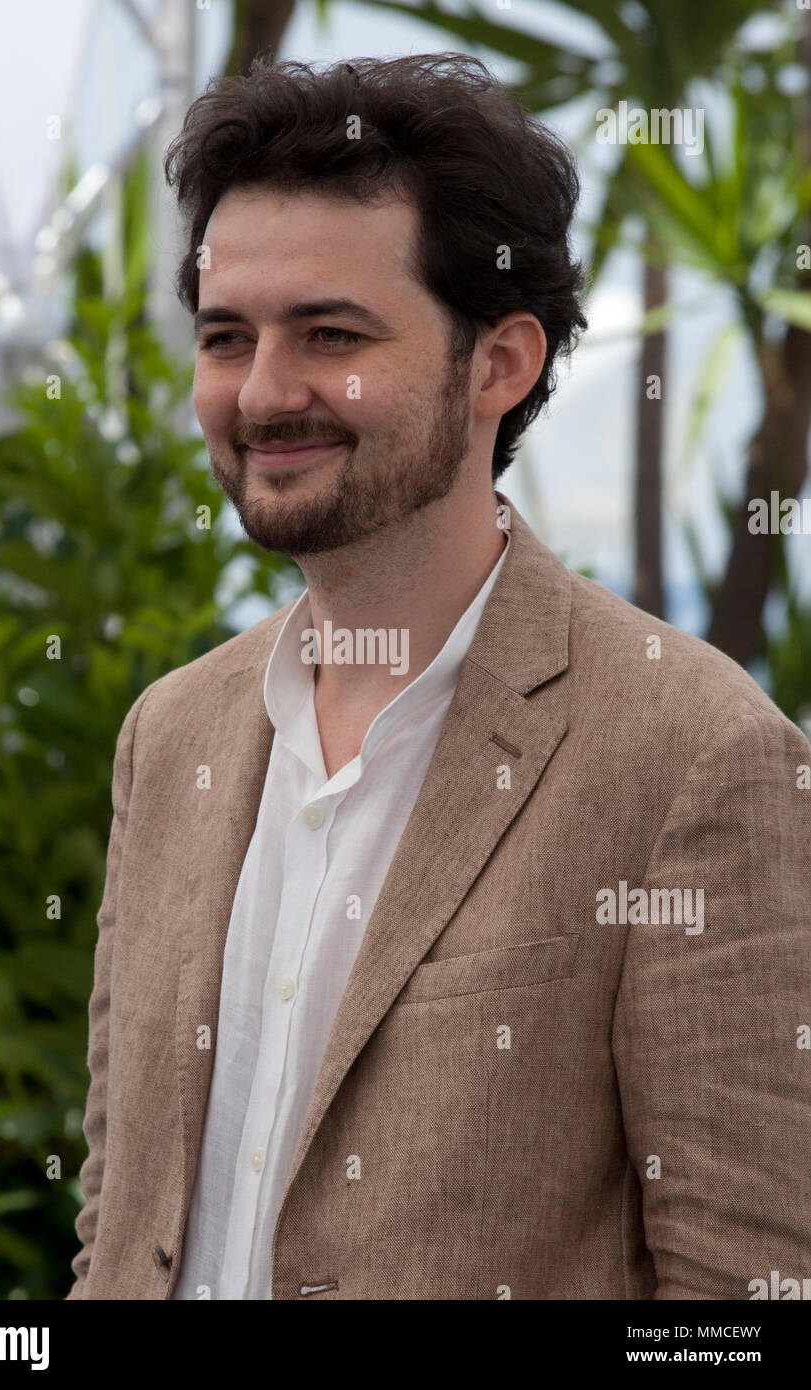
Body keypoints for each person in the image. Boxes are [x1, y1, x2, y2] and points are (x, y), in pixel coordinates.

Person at [67, 54, 811, 1300]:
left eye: (332, 334)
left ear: (499, 365)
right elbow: (121, 1216)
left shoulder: (694, 755)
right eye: (225, 337)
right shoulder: (172, 733)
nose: (261, 392)